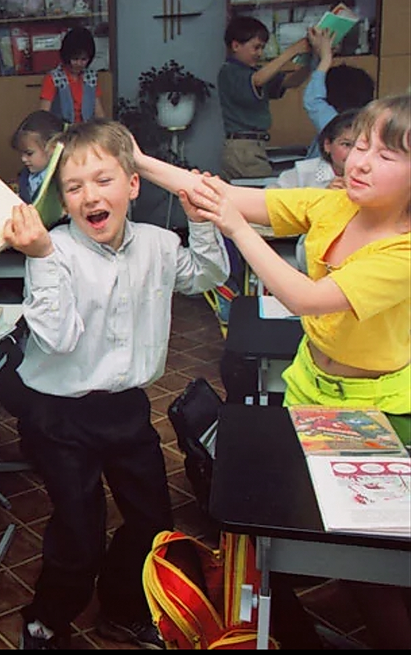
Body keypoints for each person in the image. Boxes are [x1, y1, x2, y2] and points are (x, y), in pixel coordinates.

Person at [136, 93, 411, 650]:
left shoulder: (403, 251)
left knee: (366, 559)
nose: (358, 162)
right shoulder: (337, 206)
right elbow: (219, 192)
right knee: (267, 531)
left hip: (377, 410)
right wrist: (134, 157)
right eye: (359, 145)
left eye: (385, 156)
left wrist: (237, 229)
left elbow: (308, 298)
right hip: (310, 385)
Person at [0, 119, 230, 649]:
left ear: (132, 185)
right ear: (62, 198)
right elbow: (57, 340)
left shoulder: (157, 243)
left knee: (151, 522)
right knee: (79, 529)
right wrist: (39, 258)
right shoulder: (53, 249)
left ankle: (122, 609)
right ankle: (48, 617)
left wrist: (199, 222)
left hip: (127, 407)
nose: (89, 197)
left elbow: (207, 276)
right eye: (74, 188)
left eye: (103, 180)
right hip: (59, 415)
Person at [218, 16, 312, 179]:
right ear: (236, 46)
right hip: (242, 148)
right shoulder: (229, 71)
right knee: (262, 195)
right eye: (256, 47)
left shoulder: (254, 71)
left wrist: (313, 59)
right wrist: (291, 51)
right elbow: (259, 80)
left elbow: (290, 82)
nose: (260, 53)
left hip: (254, 146)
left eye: (262, 48)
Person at [302, 26, 375, 158]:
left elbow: (313, 99)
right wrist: (320, 56)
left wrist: (326, 59)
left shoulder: (335, 121)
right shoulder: (367, 121)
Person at [37, 27, 106, 125]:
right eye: (75, 59)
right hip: (61, 132)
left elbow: (99, 113)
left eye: (83, 59)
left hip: (86, 132)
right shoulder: (53, 78)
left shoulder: (91, 77)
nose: (79, 63)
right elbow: (43, 115)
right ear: (67, 56)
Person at [12, 110, 67, 221]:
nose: (23, 159)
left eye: (29, 154)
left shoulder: (63, 176)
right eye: (21, 153)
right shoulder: (26, 175)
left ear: (52, 147)